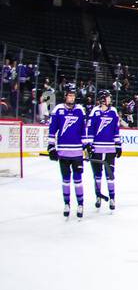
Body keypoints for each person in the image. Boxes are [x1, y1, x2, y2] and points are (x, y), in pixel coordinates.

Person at [47, 86, 88, 219]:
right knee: (65, 180)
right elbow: (52, 130)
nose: (72, 98)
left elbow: (83, 130)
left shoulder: (80, 110)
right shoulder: (58, 110)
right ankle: (67, 204)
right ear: (65, 96)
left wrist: (86, 146)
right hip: (63, 151)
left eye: (73, 96)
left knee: (78, 179)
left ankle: (80, 204)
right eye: (69, 95)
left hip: (77, 152)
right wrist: (51, 146)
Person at [87, 91, 122, 211]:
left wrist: (118, 145)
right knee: (97, 174)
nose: (110, 99)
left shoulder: (113, 111)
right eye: (108, 97)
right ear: (103, 99)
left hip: (110, 148)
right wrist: (89, 145)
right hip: (97, 147)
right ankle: (98, 196)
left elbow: (116, 130)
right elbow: (90, 129)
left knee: (110, 174)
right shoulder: (95, 112)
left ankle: (112, 197)